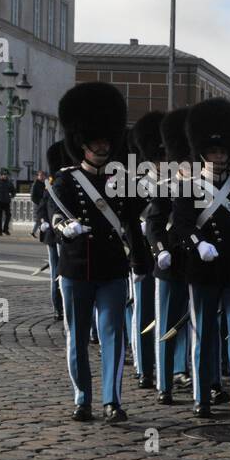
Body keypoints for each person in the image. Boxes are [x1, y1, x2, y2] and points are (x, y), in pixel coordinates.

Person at [48, 81, 146, 423]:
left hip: (111, 268)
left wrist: (141, 256)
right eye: (96, 142)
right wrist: (65, 228)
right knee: (76, 339)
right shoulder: (65, 180)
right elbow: (54, 215)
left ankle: (112, 400)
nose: (103, 147)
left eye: (107, 141)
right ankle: (82, 398)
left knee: (113, 336)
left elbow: (134, 219)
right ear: (82, 144)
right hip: (75, 269)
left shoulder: (122, 180)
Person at [170, 98, 230, 421]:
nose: (219, 157)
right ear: (202, 153)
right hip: (204, 269)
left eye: (223, 152)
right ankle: (202, 397)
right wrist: (197, 244)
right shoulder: (188, 187)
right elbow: (180, 225)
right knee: (204, 333)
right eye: (214, 152)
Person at [149, 108, 193, 405]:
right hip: (171, 262)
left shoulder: (206, 188)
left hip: (200, 264)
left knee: (196, 325)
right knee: (167, 324)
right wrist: (161, 250)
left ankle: (187, 371)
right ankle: (164, 381)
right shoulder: (165, 188)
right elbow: (154, 223)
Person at [127, 110, 165, 391]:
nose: (163, 162)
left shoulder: (179, 185)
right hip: (143, 255)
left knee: (169, 315)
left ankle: (172, 367)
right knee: (144, 313)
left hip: (169, 256)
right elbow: (127, 224)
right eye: (158, 157)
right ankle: (145, 367)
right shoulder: (135, 184)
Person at [38, 142, 68, 320]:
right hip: (52, 236)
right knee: (56, 273)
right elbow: (43, 207)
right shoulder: (51, 184)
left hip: (68, 236)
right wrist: (43, 222)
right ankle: (58, 307)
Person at [0, 169, 15, 235]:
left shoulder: (9, 182)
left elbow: (13, 190)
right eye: (4, 175)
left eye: (6, 175)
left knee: (8, 215)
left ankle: (5, 229)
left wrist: (12, 194)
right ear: (1, 175)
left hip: (6, 201)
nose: (5, 176)